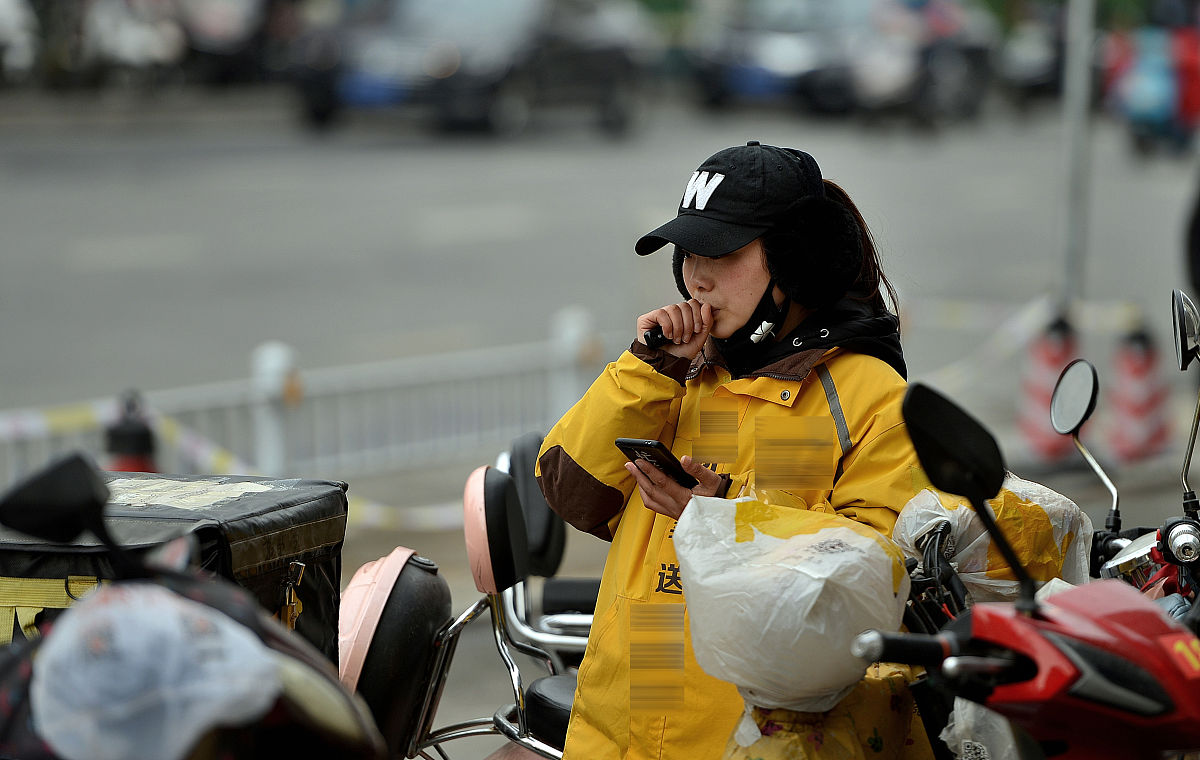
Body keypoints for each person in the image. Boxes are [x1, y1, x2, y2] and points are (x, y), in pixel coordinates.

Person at [535, 141, 937, 760]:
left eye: (722, 254)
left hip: (760, 737)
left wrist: (728, 515)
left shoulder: (867, 395)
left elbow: (882, 576)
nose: (696, 278)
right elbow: (572, 490)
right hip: (620, 732)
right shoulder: (677, 376)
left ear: (796, 260)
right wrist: (647, 369)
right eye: (689, 254)